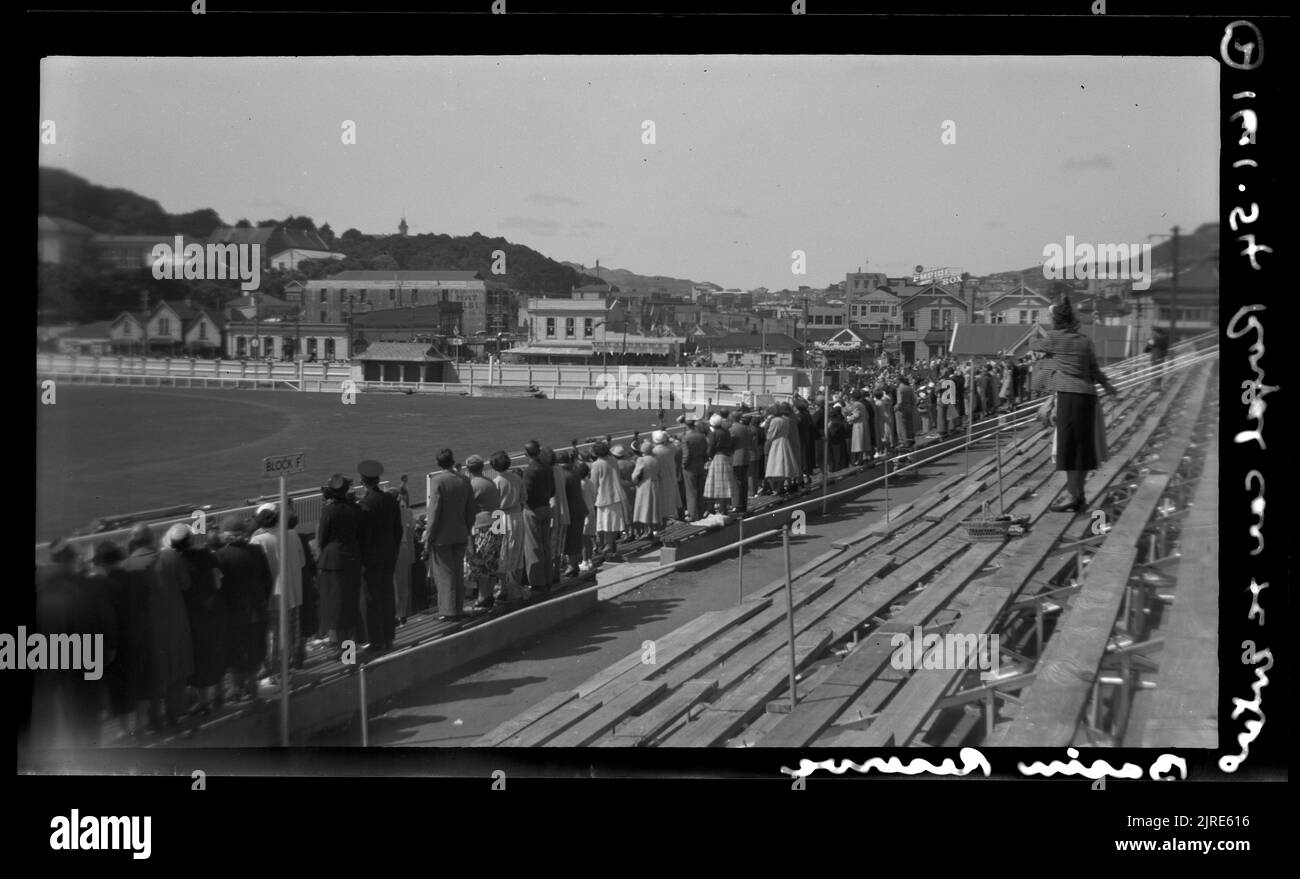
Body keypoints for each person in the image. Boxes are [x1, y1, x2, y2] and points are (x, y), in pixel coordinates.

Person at [1033, 296, 1119, 513]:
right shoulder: (1084, 340)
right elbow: (1094, 370)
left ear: (1056, 320)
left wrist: (1038, 332)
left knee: (1069, 450)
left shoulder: (1054, 337)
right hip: (1088, 397)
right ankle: (1078, 495)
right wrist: (1108, 386)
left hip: (1069, 397)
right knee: (1082, 449)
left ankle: (1073, 497)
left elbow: (1033, 345)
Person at [33, 539, 117, 748]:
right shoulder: (89, 584)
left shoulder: (43, 588)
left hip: (56, 661)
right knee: (90, 715)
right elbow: (106, 620)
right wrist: (111, 647)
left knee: (67, 716)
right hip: (89, 657)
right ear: (72, 559)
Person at [90, 540, 144, 739]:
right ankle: (139, 724)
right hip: (136, 637)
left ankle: (125, 729)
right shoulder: (133, 577)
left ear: (102, 563)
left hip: (117, 642)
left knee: (118, 689)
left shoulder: (103, 585)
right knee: (137, 683)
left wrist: (109, 645)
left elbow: (108, 617)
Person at [214, 517, 271, 702]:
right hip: (256, 609)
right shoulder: (255, 550)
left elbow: (218, 588)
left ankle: (236, 688)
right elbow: (267, 579)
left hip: (233, 614)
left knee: (234, 651)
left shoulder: (220, 556)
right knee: (255, 649)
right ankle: (252, 686)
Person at [251, 503, 306, 680]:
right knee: (290, 633)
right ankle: (287, 668)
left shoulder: (258, 540)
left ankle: (273, 672)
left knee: (273, 636)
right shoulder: (292, 534)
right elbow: (302, 561)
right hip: (293, 593)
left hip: (272, 597)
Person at [316, 474, 365, 657]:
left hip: (333, 562)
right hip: (352, 558)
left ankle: (341, 649)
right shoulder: (356, 509)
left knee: (336, 607)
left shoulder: (329, 511)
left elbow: (322, 538)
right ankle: (349, 651)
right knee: (350, 605)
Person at [356, 459, 402, 653]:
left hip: (371, 558)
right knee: (388, 594)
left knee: (372, 599)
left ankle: (376, 640)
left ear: (363, 481)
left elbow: (362, 536)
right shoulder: (391, 500)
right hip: (389, 554)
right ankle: (389, 636)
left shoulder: (364, 504)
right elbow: (397, 530)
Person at [426, 448, 476, 619]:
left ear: (438, 463)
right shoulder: (464, 480)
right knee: (458, 573)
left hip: (442, 536)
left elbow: (434, 512)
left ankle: (448, 611)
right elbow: (471, 509)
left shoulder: (437, 481)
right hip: (461, 532)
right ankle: (458, 607)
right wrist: (467, 528)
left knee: (445, 575)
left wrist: (429, 536)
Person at [181, 529, 225, 716]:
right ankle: (218, 694)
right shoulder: (206, 555)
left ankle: (203, 700)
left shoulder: (181, 561)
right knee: (215, 652)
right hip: (213, 610)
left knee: (200, 658)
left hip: (196, 615)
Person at [464, 454, 503, 610]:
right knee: (493, 561)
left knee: (481, 562)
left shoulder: (472, 485)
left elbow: (467, 507)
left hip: (483, 525)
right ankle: (488, 596)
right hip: (497, 522)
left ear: (468, 469)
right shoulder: (490, 482)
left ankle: (482, 597)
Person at [490, 451, 527, 604]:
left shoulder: (496, 481)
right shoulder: (517, 478)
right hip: (517, 516)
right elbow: (523, 498)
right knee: (517, 551)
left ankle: (504, 587)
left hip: (500, 516)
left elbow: (493, 504)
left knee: (501, 553)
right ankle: (515, 585)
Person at [520, 440, 555, 592]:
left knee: (533, 547)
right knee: (546, 545)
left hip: (533, 510)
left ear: (526, 454)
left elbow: (525, 494)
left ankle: (537, 581)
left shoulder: (530, 470)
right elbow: (553, 490)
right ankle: (548, 577)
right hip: (546, 507)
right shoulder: (547, 467)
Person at [590, 441, 626, 562]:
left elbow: (594, 484)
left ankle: (607, 546)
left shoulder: (597, 464)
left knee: (606, 524)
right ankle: (607, 545)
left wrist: (592, 497)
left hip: (603, 496)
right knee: (609, 524)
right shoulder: (612, 460)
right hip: (614, 495)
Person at [559, 453, 588, 577]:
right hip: (579, 508)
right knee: (576, 537)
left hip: (572, 510)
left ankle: (572, 565)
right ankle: (574, 564)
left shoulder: (564, 476)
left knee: (571, 538)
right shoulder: (574, 473)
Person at [763, 403, 800, 494]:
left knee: (775, 466)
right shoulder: (786, 419)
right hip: (785, 441)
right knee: (784, 466)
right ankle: (780, 487)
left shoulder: (775, 421)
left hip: (776, 443)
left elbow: (770, 435)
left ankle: (776, 489)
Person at [703, 413, 735, 514]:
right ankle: (723, 509)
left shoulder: (714, 433)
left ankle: (712, 509)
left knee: (713, 485)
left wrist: (708, 456)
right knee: (724, 485)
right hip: (726, 457)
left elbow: (711, 447)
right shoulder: (726, 432)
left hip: (717, 458)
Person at [393, 490, 414, 624]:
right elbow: (411, 529)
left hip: (393, 548)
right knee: (403, 583)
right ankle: (402, 613)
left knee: (391, 583)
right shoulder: (406, 511)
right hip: (403, 546)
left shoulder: (389, 512)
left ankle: (396, 614)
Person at [631, 440, 661, 537]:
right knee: (653, 508)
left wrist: (635, 481)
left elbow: (635, 475)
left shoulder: (642, 460)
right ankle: (651, 529)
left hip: (644, 485)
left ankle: (647, 531)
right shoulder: (656, 459)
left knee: (645, 508)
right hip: (655, 483)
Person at [680, 420, 709, 520]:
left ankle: (693, 515)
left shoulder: (686, 437)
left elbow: (686, 455)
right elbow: (706, 451)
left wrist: (684, 465)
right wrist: (703, 461)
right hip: (700, 465)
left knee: (691, 492)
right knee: (700, 491)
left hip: (690, 468)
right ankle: (700, 513)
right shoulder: (701, 436)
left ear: (685, 425)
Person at [651, 430, 681, 523]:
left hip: (661, 479)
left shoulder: (654, 451)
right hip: (671, 478)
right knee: (672, 502)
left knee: (662, 505)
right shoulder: (671, 448)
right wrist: (668, 439)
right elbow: (676, 446)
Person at [728, 412, 754, 515]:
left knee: (736, 482)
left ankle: (737, 505)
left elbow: (730, 444)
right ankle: (743, 504)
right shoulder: (746, 428)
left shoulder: (733, 429)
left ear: (732, 418)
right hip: (746, 456)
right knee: (743, 481)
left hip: (736, 458)